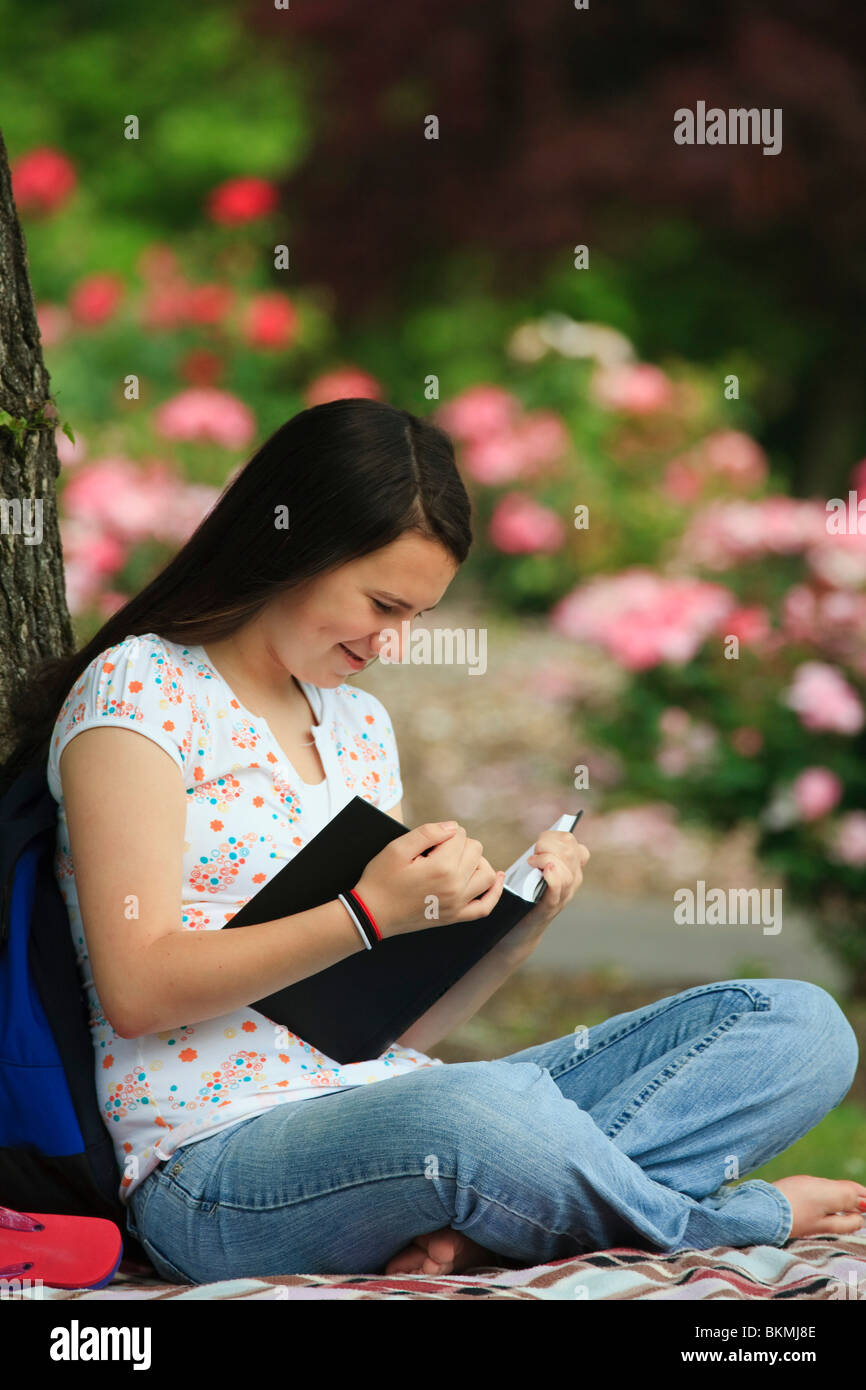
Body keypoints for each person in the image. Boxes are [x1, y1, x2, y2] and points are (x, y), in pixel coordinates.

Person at [7, 398, 863, 1284]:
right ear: (293, 546)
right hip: (217, 1170)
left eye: (416, 615)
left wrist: (513, 925)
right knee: (478, 1112)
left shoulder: (358, 726)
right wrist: (370, 911)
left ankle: (502, 1221)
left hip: (385, 1106)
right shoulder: (142, 692)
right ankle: (722, 1219)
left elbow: (385, 1030)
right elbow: (139, 988)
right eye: (382, 603)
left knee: (799, 1028)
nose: (394, 641)